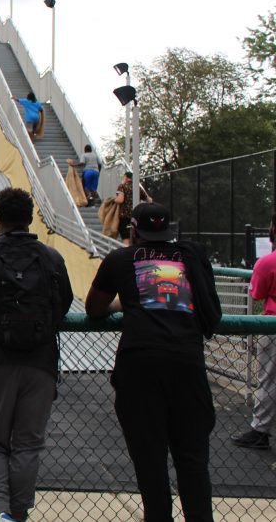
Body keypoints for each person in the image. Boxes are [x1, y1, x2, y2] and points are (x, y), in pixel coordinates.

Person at [86, 203, 221, 522]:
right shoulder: (191, 256)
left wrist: (125, 303)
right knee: (192, 461)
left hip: (140, 365)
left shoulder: (120, 259)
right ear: (168, 230)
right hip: (188, 363)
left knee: (150, 461)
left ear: (133, 230)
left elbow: (94, 307)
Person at [0, 187, 73, 522]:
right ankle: (19, 513)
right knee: (28, 444)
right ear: (31, 217)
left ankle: (1, 511)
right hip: (41, 362)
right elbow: (62, 305)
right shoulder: (51, 257)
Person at [233, 211, 276, 450]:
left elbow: (257, 293)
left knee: (269, 381)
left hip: (273, 325)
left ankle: (260, 431)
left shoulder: (268, 262)